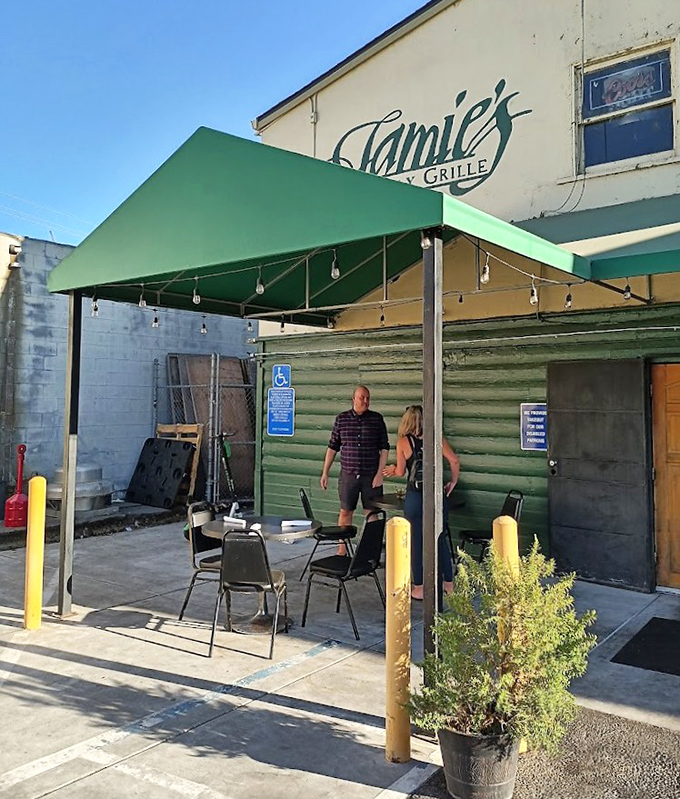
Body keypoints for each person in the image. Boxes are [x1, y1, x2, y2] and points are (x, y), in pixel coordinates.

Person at [383, 404, 460, 600]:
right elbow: (454, 461)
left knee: (416, 540)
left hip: (415, 496)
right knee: (440, 537)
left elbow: (401, 472)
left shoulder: (402, 442)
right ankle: (448, 584)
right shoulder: (436, 438)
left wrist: (392, 468)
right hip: (436, 494)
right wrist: (452, 482)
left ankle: (419, 587)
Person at [320, 386, 390, 548]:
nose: (365, 401)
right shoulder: (342, 419)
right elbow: (332, 447)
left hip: (371, 476)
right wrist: (325, 472)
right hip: (348, 475)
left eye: (368, 398)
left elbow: (384, 448)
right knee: (346, 511)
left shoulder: (377, 419)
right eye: (362, 398)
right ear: (354, 399)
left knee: (372, 513)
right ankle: (342, 550)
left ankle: (371, 551)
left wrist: (380, 474)